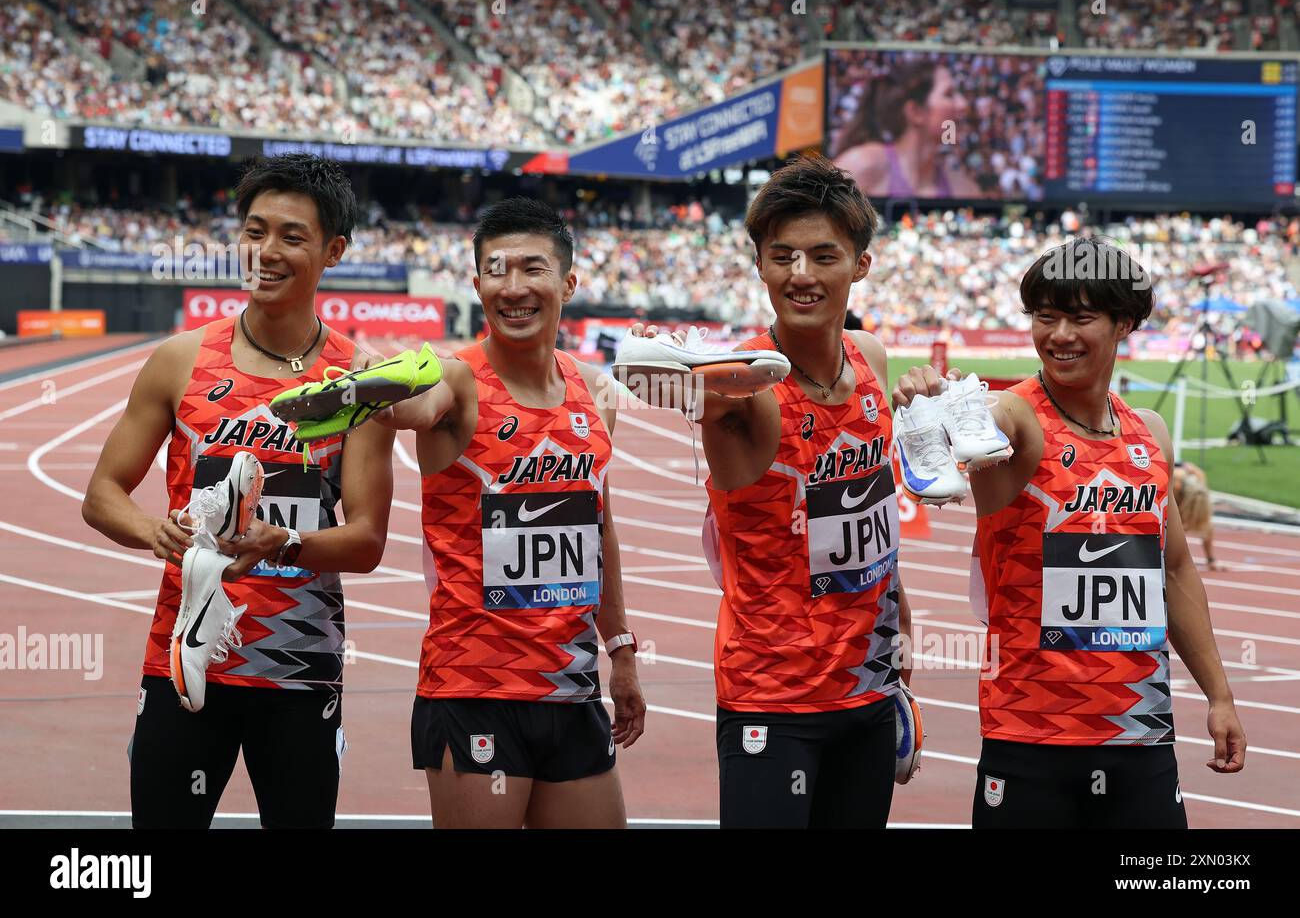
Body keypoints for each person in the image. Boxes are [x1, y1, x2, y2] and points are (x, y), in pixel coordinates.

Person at [81, 154, 396, 828]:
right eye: (254, 232)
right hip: (186, 665)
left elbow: (367, 540)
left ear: (333, 251)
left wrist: (283, 540)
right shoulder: (180, 360)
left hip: (299, 668)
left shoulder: (360, 382)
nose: (266, 252)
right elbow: (102, 492)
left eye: (291, 236)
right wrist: (153, 531)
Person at [895, 237, 1248, 828]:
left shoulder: (1150, 435)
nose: (1059, 335)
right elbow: (982, 423)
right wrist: (927, 402)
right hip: (1032, 737)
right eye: (1045, 317)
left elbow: (1176, 570)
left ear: (1124, 324)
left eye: (1081, 318)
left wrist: (1219, 695)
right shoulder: (1016, 419)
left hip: (1141, 731)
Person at [629, 154, 915, 828]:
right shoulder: (746, 388)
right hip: (774, 701)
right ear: (759, 264)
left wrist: (901, 626)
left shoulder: (870, 358)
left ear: (862, 264)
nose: (801, 275)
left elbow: (873, 518)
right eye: (781, 256)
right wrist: (673, 369)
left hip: (869, 688)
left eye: (823, 255)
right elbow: (675, 382)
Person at [374, 197, 646, 829]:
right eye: (497, 270)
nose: (514, 287)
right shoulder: (457, 380)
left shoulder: (591, 394)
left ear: (568, 282)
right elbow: (415, 407)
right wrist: (380, 390)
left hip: (573, 685)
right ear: (476, 285)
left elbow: (597, 531)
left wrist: (622, 650)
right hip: (475, 690)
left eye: (533, 269)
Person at [832, 58, 981, 200]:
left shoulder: (962, 188)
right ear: (915, 112)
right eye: (949, 94)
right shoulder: (862, 166)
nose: (963, 104)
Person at [1172, 461, 1220, 570]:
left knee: (1206, 524)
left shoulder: (1200, 478)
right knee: (1172, 525)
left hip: (1184, 483)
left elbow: (1206, 522)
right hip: (1165, 482)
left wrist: (1211, 559)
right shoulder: (1175, 485)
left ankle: (1210, 558)